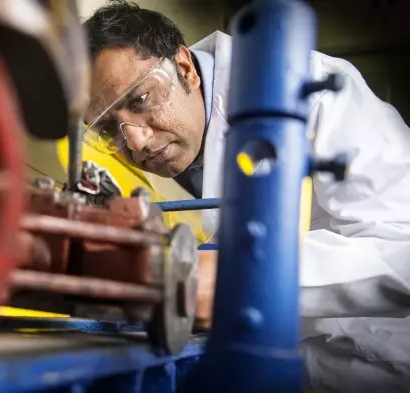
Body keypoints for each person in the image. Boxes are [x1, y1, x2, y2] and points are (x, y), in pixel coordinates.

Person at [82, 1, 410, 392]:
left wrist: (238, 281)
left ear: (184, 67)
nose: (135, 141)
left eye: (140, 100)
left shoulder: (311, 93)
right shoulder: (165, 146)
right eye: (109, 130)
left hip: (376, 361)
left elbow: (400, 245)